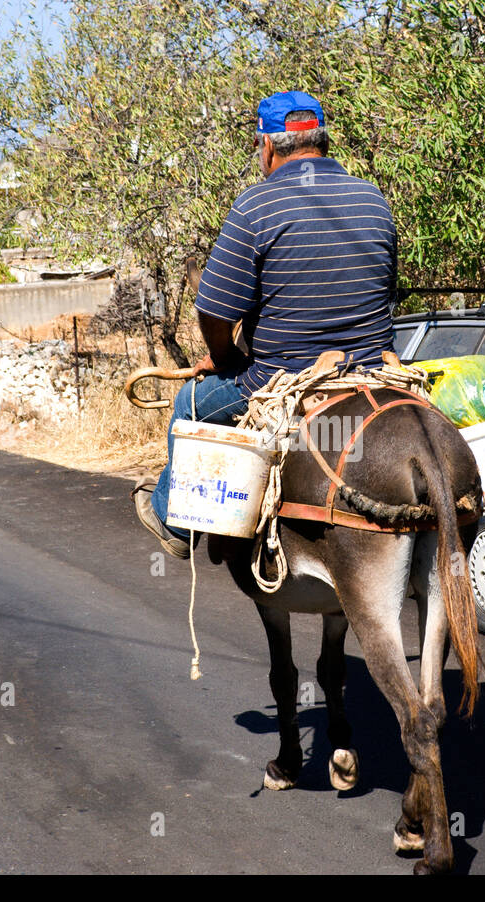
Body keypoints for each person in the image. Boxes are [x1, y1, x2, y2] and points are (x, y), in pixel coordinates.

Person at [134, 90, 399, 559]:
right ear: (324, 141)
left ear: (268, 147)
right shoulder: (373, 198)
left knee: (189, 404)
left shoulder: (257, 206)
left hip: (282, 379)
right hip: (373, 374)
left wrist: (225, 358)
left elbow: (213, 310)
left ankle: (176, 527)